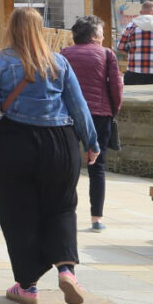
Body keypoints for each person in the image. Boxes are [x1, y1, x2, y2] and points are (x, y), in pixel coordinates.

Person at [0, 8, 100, 304]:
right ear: (40, 29)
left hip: (14, 142)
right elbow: (79, 107)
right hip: (60, 143)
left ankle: (28, 286)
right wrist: (92, 143)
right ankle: (67, 271)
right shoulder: (59, 62)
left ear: (11, 28)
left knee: (18, 213)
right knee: (61, 208)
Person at [60, 16, 122, 232]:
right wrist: (114, 110)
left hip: (68, 115)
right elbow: (116, 87)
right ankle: (97, 218)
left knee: (69, 164)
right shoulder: (106, 54)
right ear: (94, 36)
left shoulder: (65, 54)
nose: (104, 36)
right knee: (98, 166)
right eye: (102, 33)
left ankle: (64, 212)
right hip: (99, 113)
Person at [116, 1, 153, 85]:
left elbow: (120, 47)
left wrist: (130, 49)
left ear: (140, 13)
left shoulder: (131, 26)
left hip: (134, 71)